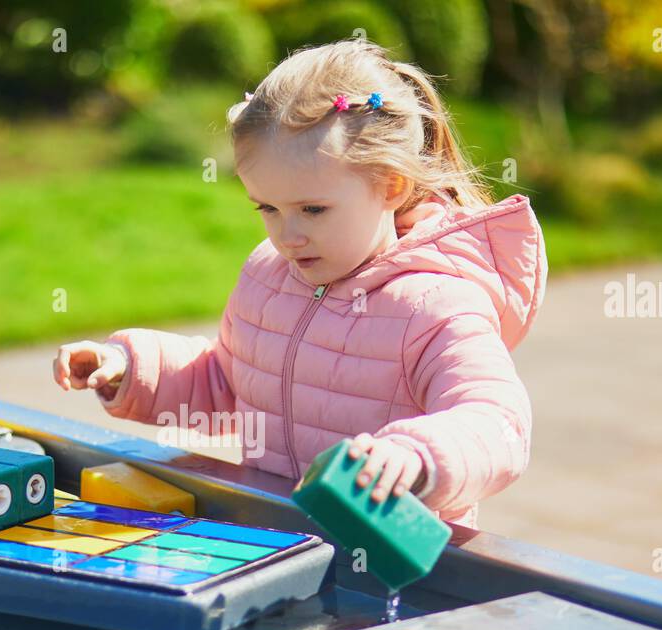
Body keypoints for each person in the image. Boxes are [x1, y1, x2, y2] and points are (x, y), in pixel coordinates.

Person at [53, 38, 546, 529]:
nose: (287, 236)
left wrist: (417, 457)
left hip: (388, 572)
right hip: (275, 543)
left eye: (313, 209)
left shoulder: (435, 304)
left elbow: (496, 420)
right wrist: (128, 368)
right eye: (268, 208)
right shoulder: (268, 275)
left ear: (390, 186)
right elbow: (228, 381)